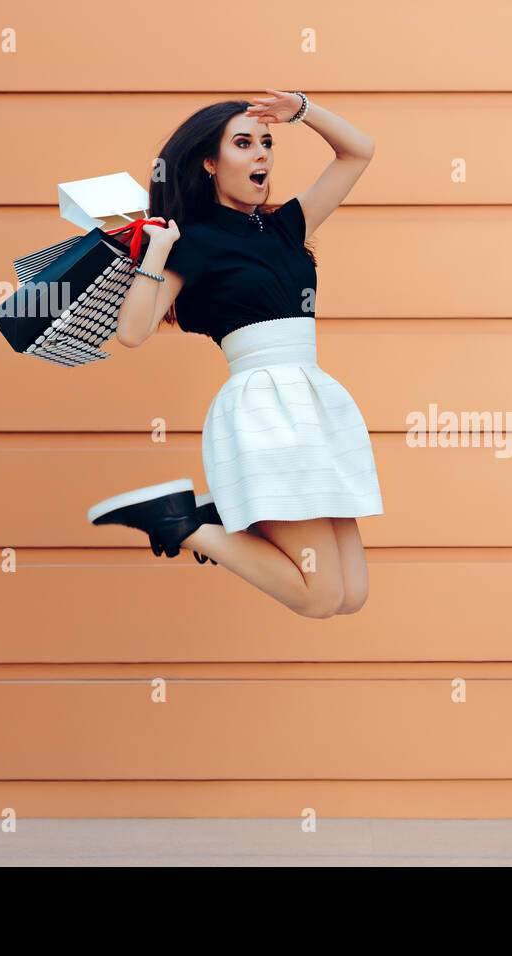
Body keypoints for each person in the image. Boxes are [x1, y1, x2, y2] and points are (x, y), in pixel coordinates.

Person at [86, 91, 383, 619]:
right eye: (243, 143)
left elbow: (358, 151)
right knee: (319, 595)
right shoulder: (193, 242)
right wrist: (157, 248)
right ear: (209, 162)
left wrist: (303, 111)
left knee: (351, 594)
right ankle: (186, 525)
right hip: (263, 405)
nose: (261, 154)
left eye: (266, 142)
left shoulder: (288, 226)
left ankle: (211, 517)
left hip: (313, 398)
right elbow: (133, 332)